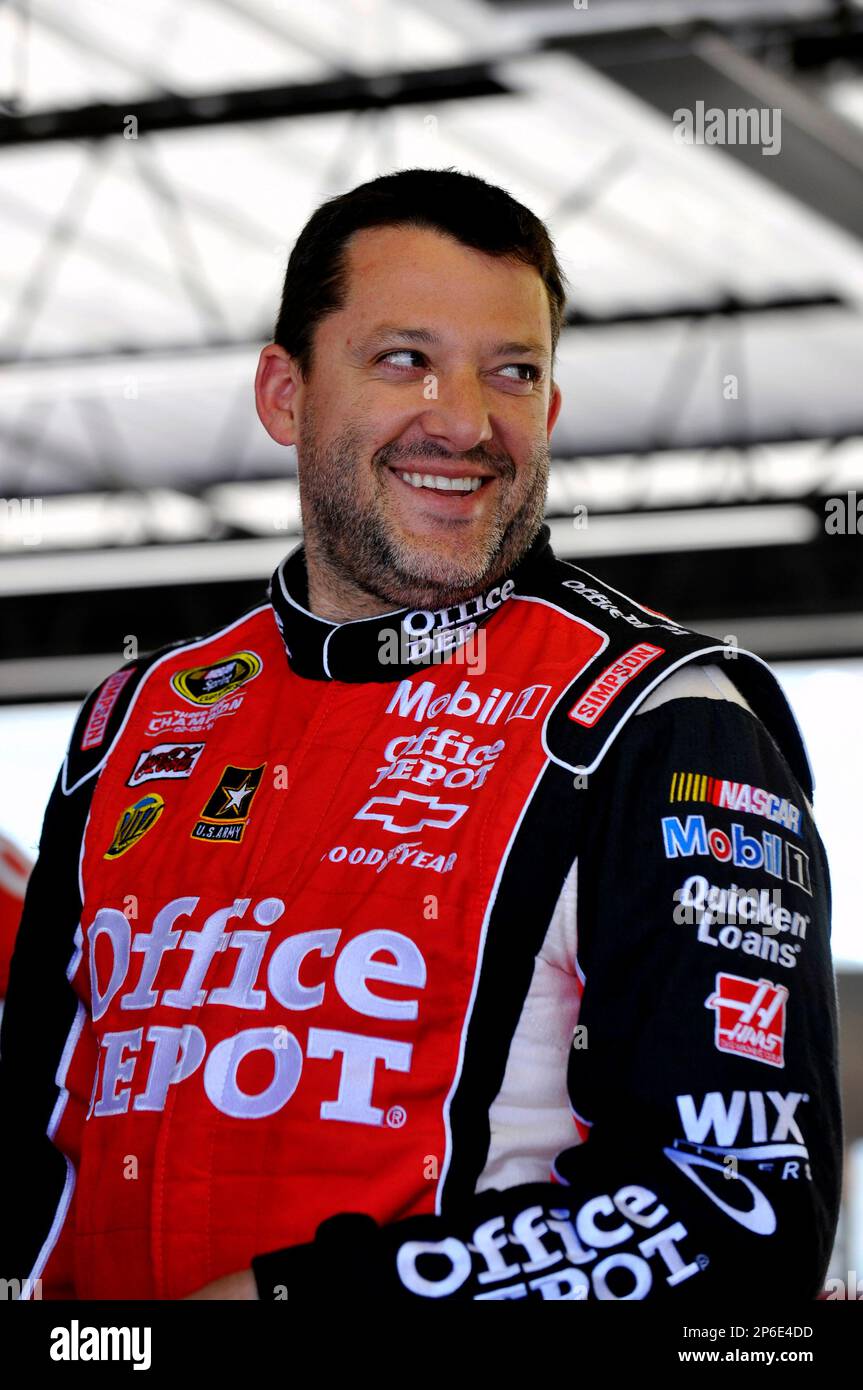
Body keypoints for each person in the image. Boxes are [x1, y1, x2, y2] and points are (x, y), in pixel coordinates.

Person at [0, 169, 841, 1302]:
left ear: (547, 409)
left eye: (512, 371)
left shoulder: (662, 717)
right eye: (405, 360)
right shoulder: (135, 717)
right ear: (285, 395)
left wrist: (304, 1300)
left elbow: (742, 1209)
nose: (462, 419)